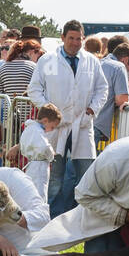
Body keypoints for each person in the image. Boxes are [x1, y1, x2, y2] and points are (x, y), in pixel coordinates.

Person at [26, 20, 107, 216]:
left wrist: (92, 110)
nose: (75, 42)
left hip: (82, 124)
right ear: (62, 38)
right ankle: (48, 216)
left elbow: (102, 89)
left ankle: (83, 218)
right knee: (54, 177)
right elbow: (34, 89)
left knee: (86, 174)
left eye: (79, 39)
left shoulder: (91, 61)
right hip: (56, 126)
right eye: (71, 38)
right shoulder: (48, 60)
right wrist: (49, 111)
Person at [17, 104, 61, 200]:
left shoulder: (30, 128)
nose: (52, 130)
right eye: (52, 127)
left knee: (31, 192)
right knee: (40, 193)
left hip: (31, 164)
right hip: (40, 166)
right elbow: (44, 147)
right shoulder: (38, 131)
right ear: (45, 121)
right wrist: (51, 155)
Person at [95, 37, 129, 144]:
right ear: (125, 60)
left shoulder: (98, 62)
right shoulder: (119, 67)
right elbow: (122, 100)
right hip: (98, 123)